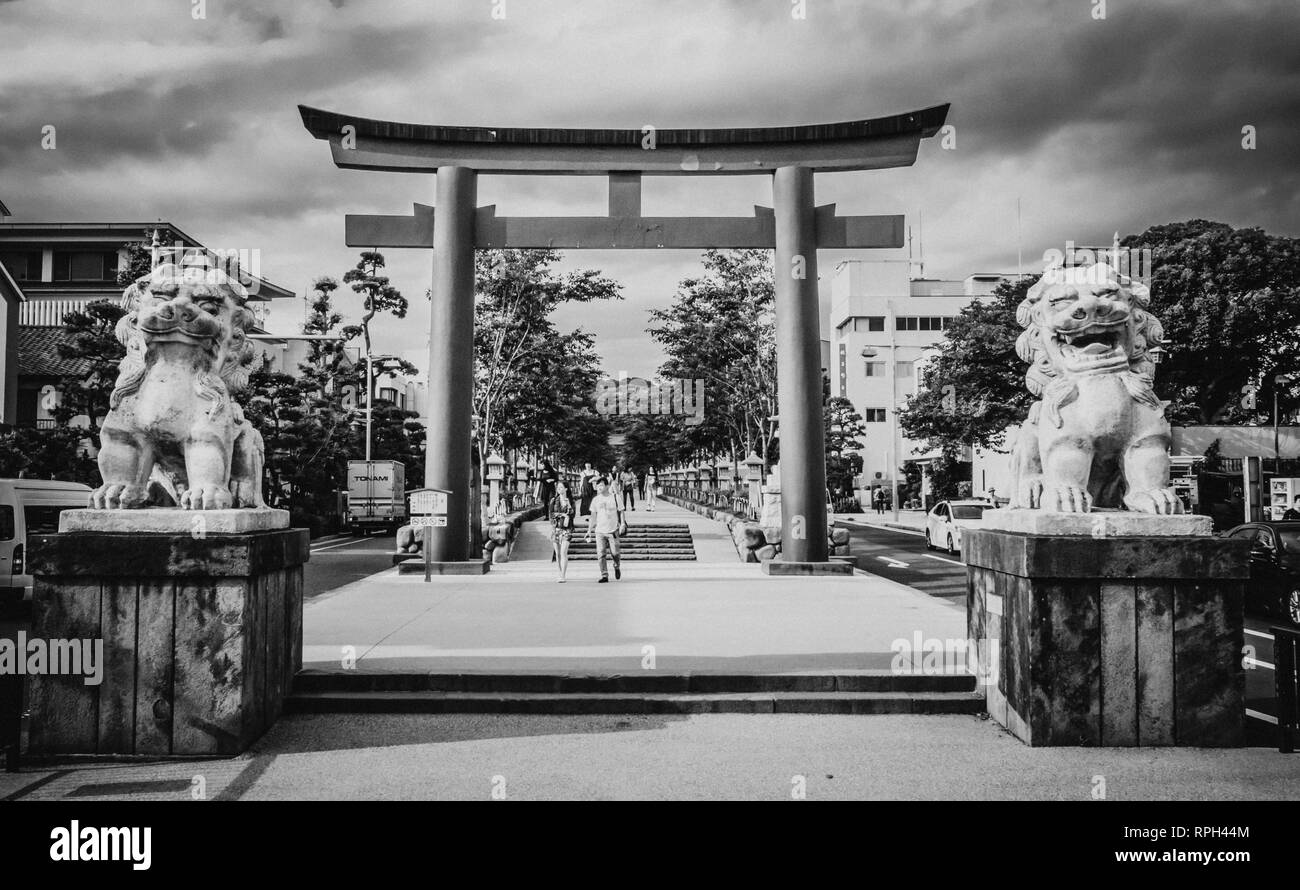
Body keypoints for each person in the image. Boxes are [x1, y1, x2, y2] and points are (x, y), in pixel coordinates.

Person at [585, 477, 625, 583]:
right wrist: (589, 530)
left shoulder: (616, 497)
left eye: (602, 485)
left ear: (607, 486)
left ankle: (616, 566)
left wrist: (623, 524)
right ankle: (604, 575)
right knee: (601, 553)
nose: (599, 487)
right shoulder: (595, 500)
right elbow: (593, 516)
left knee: (615, 553)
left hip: (613, 530)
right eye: (598, 486)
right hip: (599, 531)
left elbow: (621, 511)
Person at [549, 481, 577, 582]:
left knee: (563, 551)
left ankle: (563, 575)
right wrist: (562, 515)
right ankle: (559, 573)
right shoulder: (553, 500)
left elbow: (573, 514)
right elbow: (551, 515)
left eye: (561, 487)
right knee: (557, 553)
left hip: (567, 528)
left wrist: (568, 504)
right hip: (556, 528)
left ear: (566, 489)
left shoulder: (571, 501)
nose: (559, 489)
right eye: (558, 488)